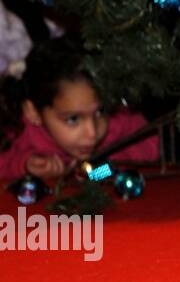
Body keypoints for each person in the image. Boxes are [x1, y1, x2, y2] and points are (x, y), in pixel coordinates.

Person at [0, 37, 159, 183]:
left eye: (100, 111)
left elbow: (152, 145)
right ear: (33, 112)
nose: (92, 133)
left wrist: (102, 169)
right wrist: (25, 166)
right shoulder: (18, 130)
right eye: (73, 119)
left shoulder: (119, 116)